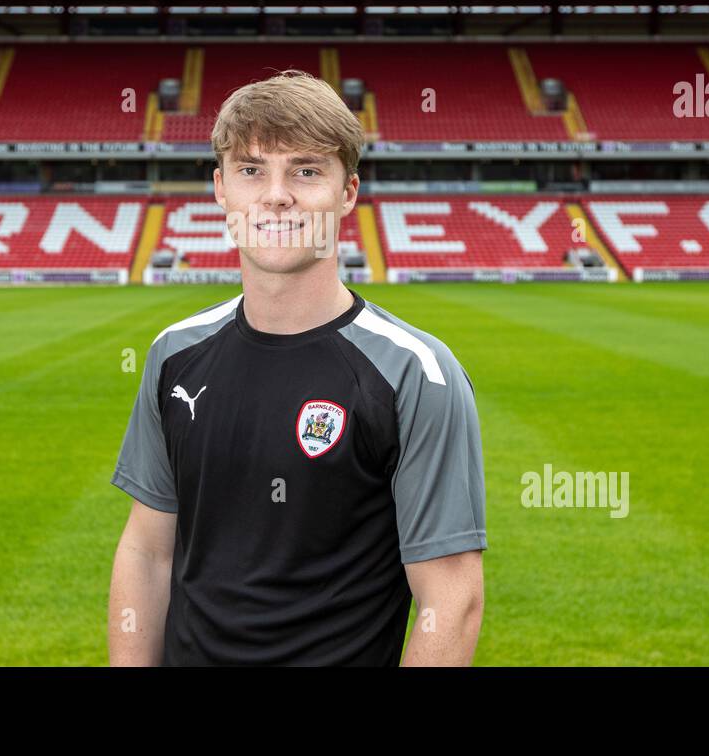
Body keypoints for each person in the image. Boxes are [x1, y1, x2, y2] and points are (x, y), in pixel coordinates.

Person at [108, 69, 486, 666]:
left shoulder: (415, 374)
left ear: (348, 192)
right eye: (251, 170)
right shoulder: (172, 355)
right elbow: (147, 551)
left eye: (306, 171)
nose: (276, 194)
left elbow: (452, 597)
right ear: (221, 189)